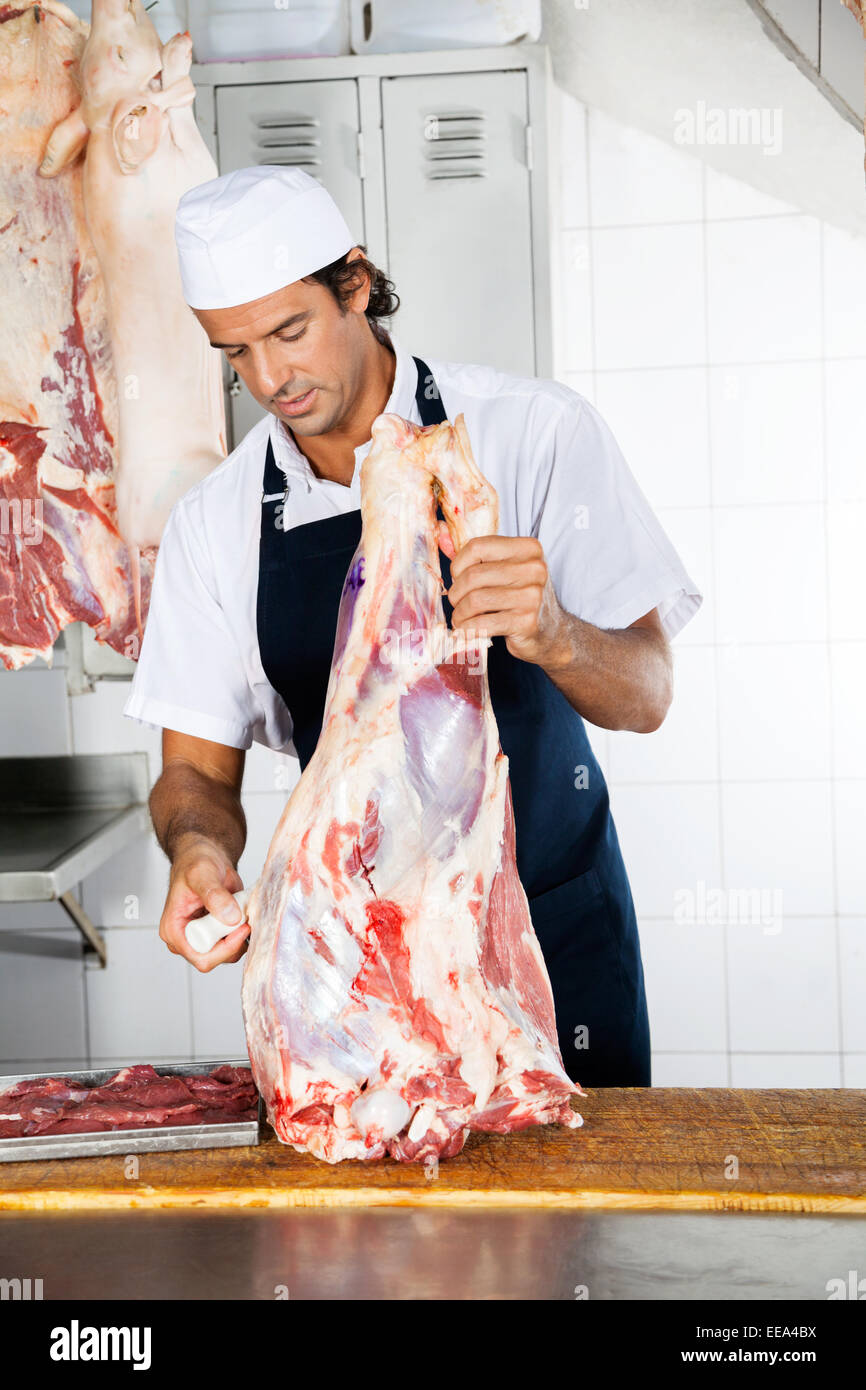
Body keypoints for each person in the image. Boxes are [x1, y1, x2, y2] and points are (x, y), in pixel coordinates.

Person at [124, 165, 701, 1087]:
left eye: (289, 331)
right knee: (375, 1230)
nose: (270, 378)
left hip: (547, 933)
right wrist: (198, 848)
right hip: (355, 961)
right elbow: (192, 771)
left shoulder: (532, 433)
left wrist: (555, 631)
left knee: (588, 1228)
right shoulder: (216, 522)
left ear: (354, 284)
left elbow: (649, 694)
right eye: (235, 353)